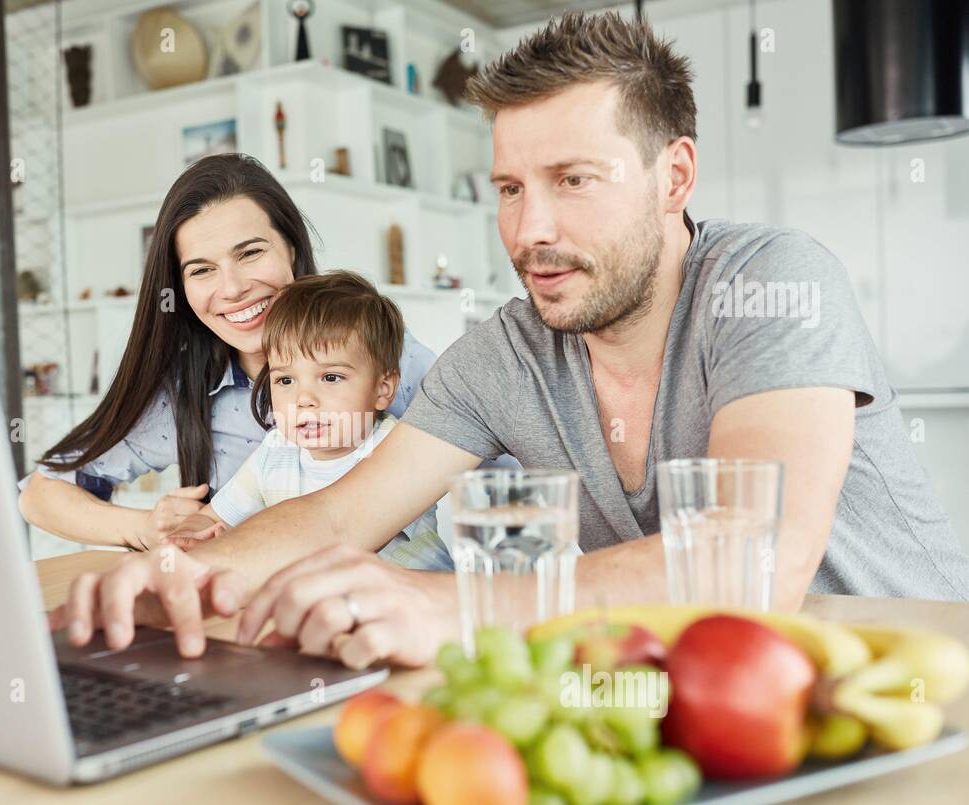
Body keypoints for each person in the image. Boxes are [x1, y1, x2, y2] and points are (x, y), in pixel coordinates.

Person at [49, 11, 969, 669]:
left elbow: (751, 563)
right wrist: (177, 578)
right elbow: (337, 515)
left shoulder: (772, 282)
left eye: (573, 180)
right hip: (701, 697)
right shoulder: (507, 352)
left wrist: (447, 607)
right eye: (510, 188)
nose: (531, 229)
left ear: (673, 174)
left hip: (911, 690)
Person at [17, 153, 435, 550]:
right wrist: (144, 527)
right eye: (202, 270)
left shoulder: (385, 355)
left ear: (291, 246)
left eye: (250, 252)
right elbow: (41, 494)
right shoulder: (186, 391)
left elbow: (494, 473)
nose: (232, 289)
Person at [164, 270, 452, 572]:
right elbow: (213, 517)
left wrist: (243, 547)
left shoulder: (400, 446)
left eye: (330, 377)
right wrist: (189, 536)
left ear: (382, 388)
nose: (304, 399)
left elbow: (343, 540)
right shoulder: (275, 451)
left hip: (417, 608)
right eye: (286, 380)